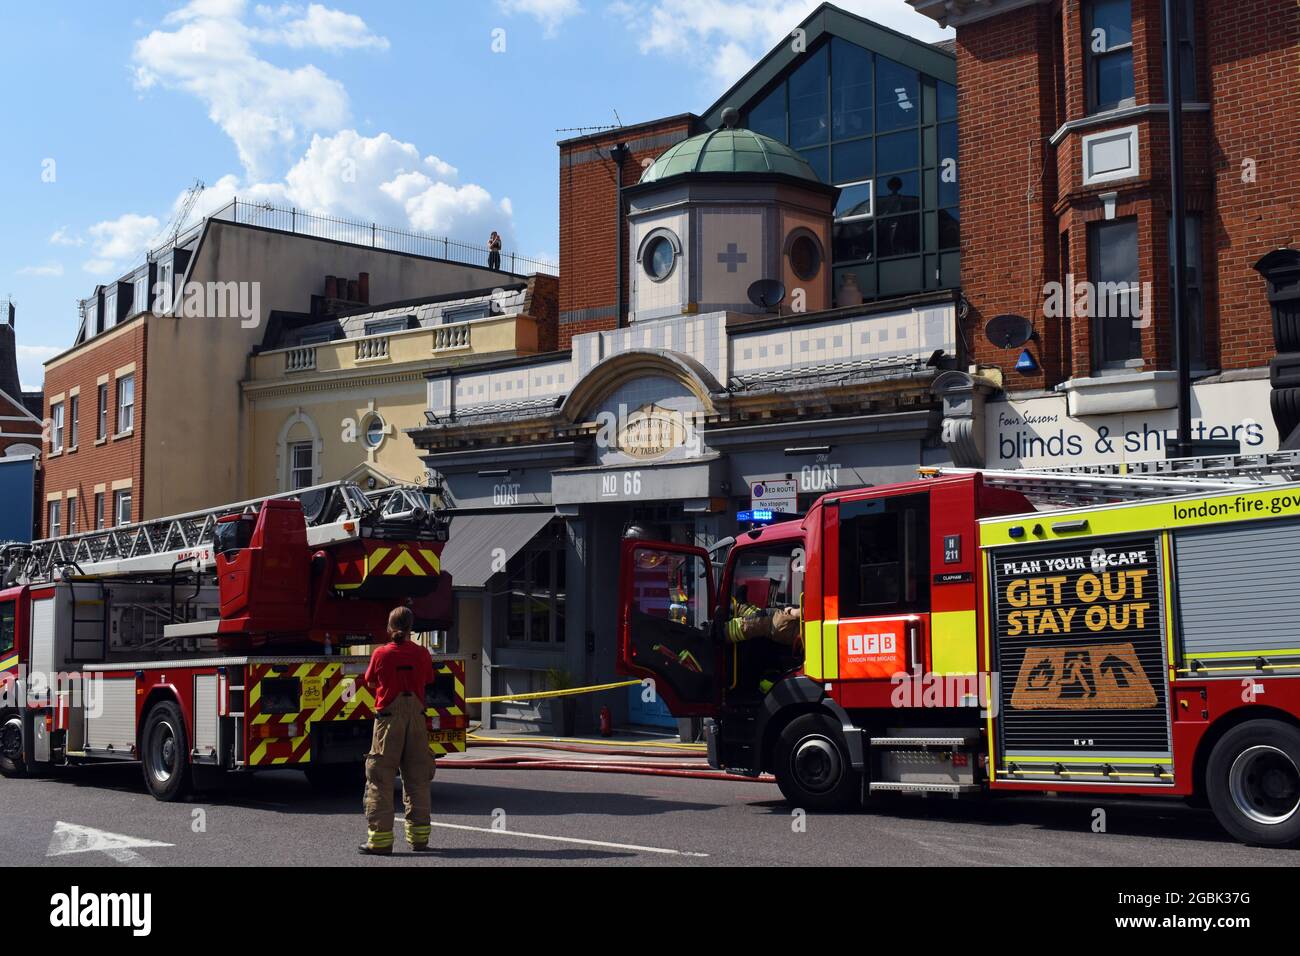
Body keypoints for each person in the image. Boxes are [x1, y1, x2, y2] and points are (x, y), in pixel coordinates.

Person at [356, 606, 435, 855]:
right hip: (417, 720)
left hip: (388, 721)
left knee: (380, 779)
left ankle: (379, 842)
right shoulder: (422, 654)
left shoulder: (381, 654)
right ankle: (419, 839)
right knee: (418, 779)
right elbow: (428, 679)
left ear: (389, 627)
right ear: (411, 628)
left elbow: (369, 681)